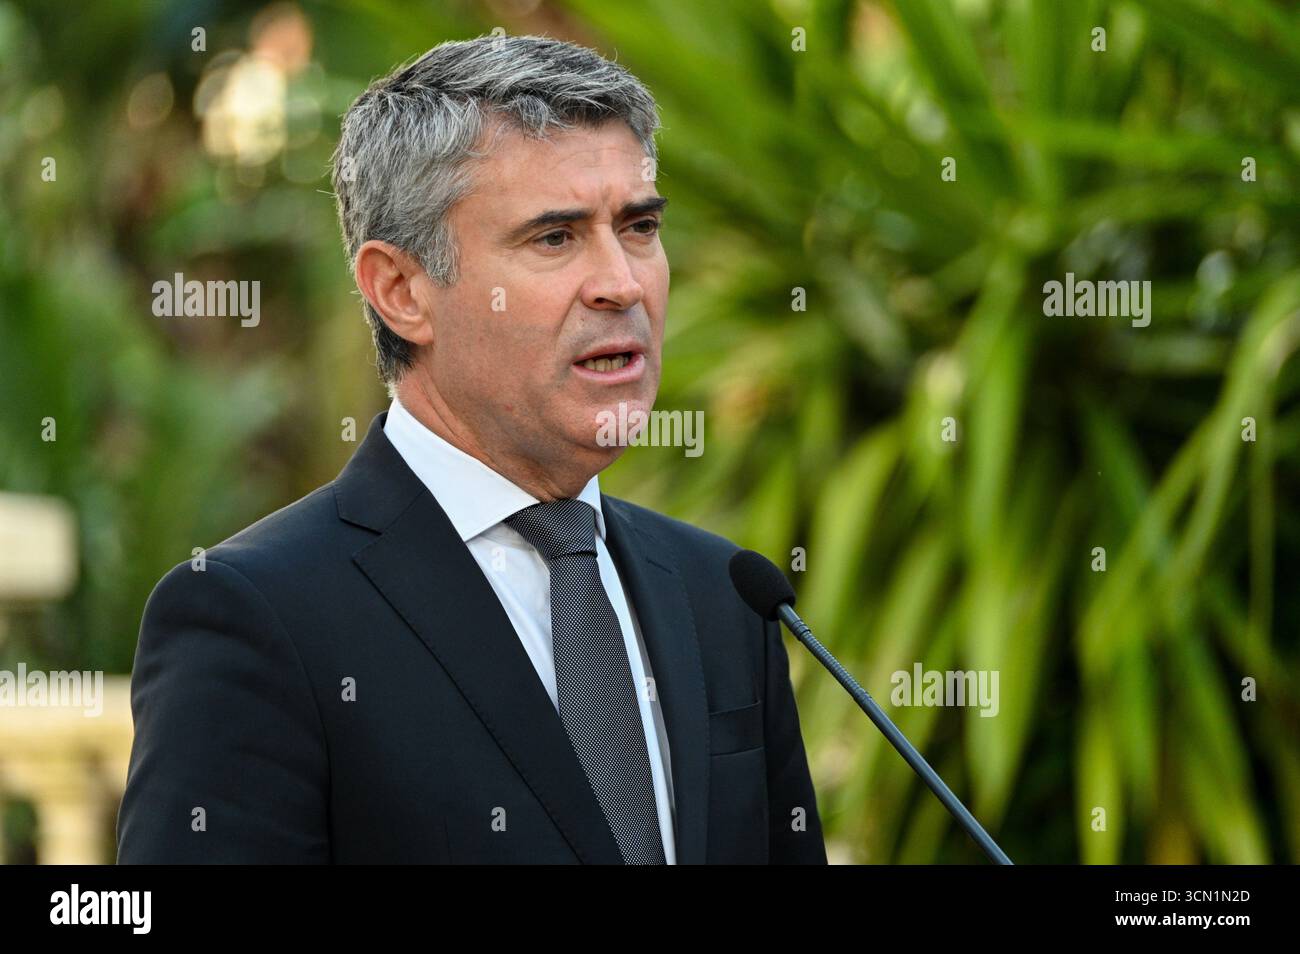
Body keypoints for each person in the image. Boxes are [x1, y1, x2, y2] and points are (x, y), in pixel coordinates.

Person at [117, 34, 826, 864]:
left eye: (637, 227)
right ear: (401, 291)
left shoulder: (726, 596)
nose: (622, 283)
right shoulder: (257, 619)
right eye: (555, 238)